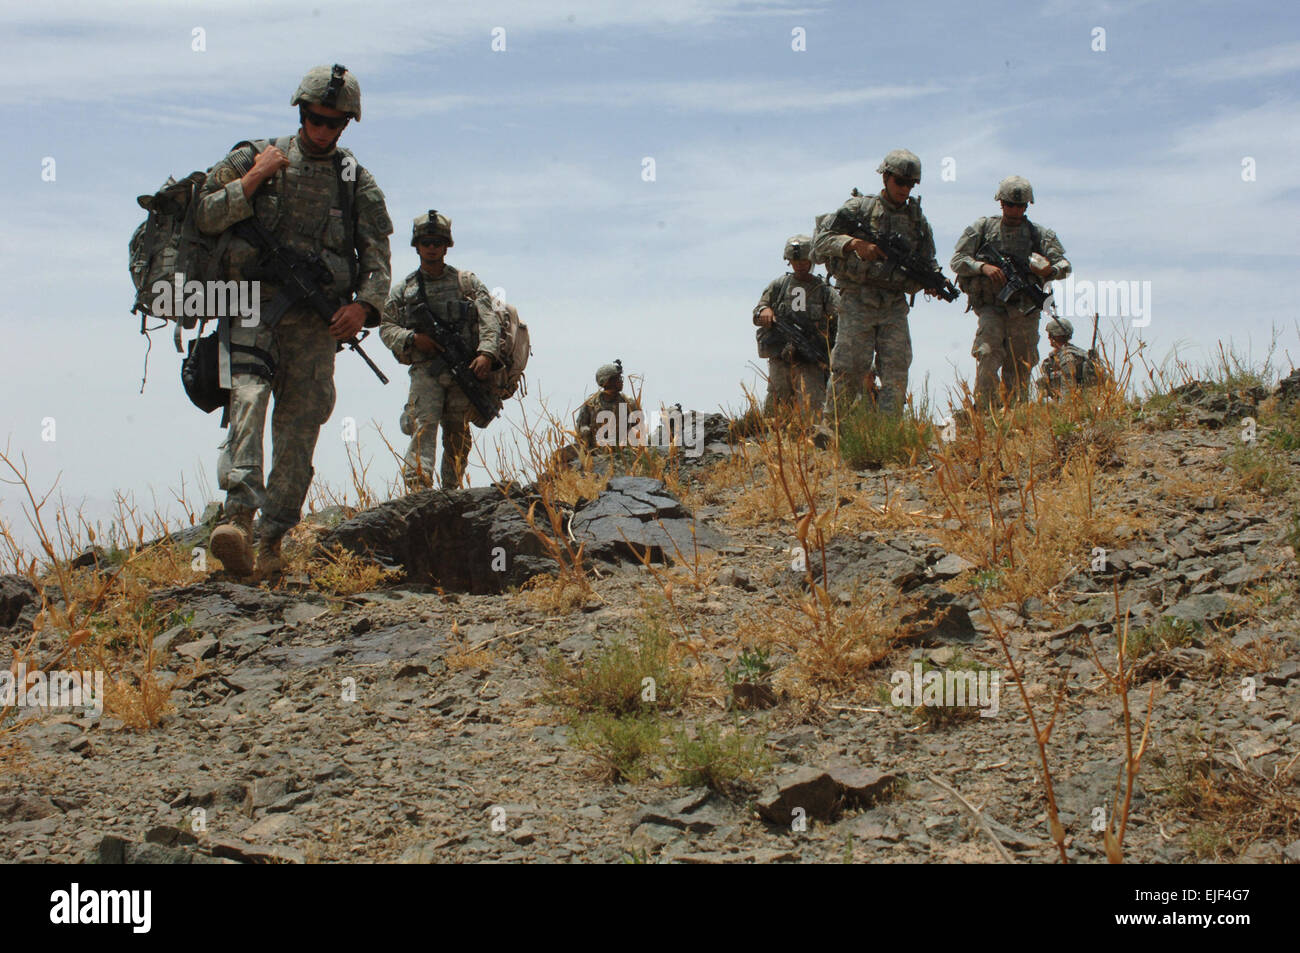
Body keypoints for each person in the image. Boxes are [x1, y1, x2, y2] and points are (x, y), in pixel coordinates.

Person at [197, 64, 393, 580]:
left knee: (301, 427)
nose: (322, 130)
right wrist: (256, 176)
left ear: (346, 124)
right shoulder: (254, 155)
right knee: (249, 398)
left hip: (315, 323)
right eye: (314, 119)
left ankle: (272, 540)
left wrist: (363, 308)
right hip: (253, 308)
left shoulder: (356, 182)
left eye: (334, 123)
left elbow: (378, 259)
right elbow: (205, 216)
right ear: (300, 112)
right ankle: (236, 520)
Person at [813, 149, 940, 418]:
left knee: (896, 369)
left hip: (894, 303)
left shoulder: (917, 222)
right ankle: (832, 427)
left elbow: (929, 260)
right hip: (858, 299)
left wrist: (932, 281)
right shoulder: (858, 209)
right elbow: (820, 243)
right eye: (900, 182)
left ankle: (888, 431)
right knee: (849, 367)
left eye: (911, 184)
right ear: (885, 178)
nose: (905, 189)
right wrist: (853, 244)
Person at [379, 210, 500, 490]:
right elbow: (387, 327)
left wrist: (486, 353)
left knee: (458, 431)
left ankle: (452, 488)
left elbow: (489, 318)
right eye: (426, 242)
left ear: (446, 246)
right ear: (417, 246)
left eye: (437, 242)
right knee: (424, 426)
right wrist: (411, 338)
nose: (431, 247)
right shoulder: (404, 291)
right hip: (426, 371)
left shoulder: (466, 283)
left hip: (463, 369)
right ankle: (419, 488)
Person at [950, 175, 1071, 408]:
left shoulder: (1040, 235)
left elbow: (1065, 265)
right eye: (1010, 205)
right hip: (991, 308)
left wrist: (1050, 269)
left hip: (1025, 311)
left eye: (1021, 205)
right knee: (986, 354)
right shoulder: (983, 228)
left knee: (1021, 365)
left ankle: (1015, 415)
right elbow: (957, 260)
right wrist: (983, 267)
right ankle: (985, 413)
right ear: (1001, 203)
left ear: (1027, 206)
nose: (1015, 210)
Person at [752, 235, 837, 420]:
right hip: (781, 353)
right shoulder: (779, 285)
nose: (800, 265)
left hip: (810, 357)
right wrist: (765, 311)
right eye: (795, 260)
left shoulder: (823, 290)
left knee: (812, 403)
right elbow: (757, 312)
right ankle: (775, 439)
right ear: (789, 261)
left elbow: (839, 319)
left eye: (804, 260)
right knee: (778, 398)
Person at [576, 362, 642, 449]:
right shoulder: (591, 404)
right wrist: (586, 433)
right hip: (595, 451)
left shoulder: (628, 403)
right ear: (607, 381)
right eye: (617, 378)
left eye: (620, 378)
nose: (621, 381)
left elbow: (638, 427)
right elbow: (581, 425)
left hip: (623, 452)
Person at [1038, 317, 1097, 398]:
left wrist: (1065, 407)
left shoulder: (1067, 357)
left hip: (1075, 403)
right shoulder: (1078, 353)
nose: (1048, 338)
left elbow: (1068, 388)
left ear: (1055, 336)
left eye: (1050, 335)